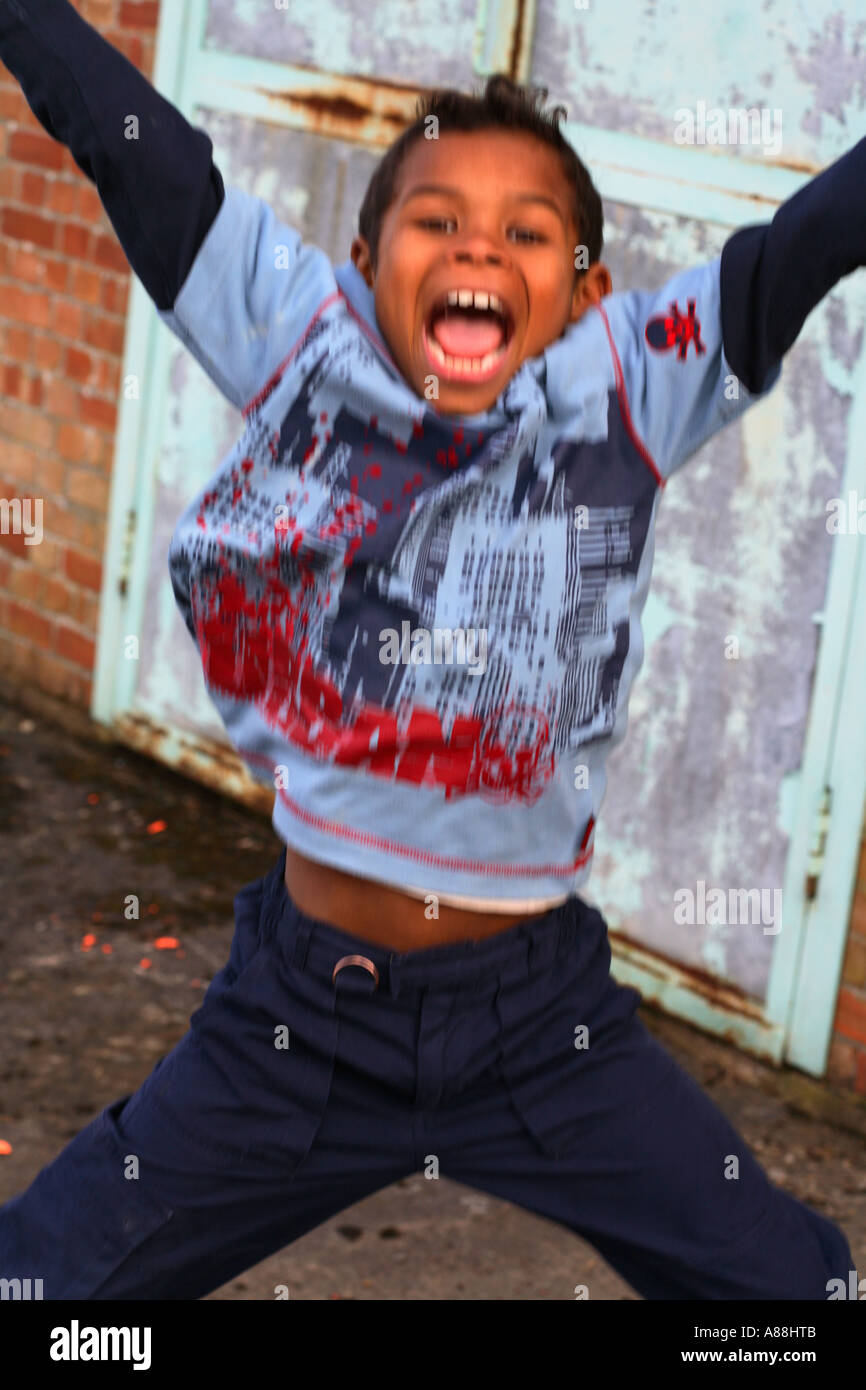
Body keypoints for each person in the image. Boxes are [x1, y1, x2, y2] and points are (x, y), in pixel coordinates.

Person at [0, 0, 858, 1299]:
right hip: (296, 1028)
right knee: (45, 1282)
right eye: (436, 220)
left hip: (543, 1032)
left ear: (586, 292)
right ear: (363, 256)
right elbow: (143, 152)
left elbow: (795, 249)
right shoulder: (303, 337)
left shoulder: (626, 382)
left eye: (526, 231)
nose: (478, 247)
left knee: (790, 1293)